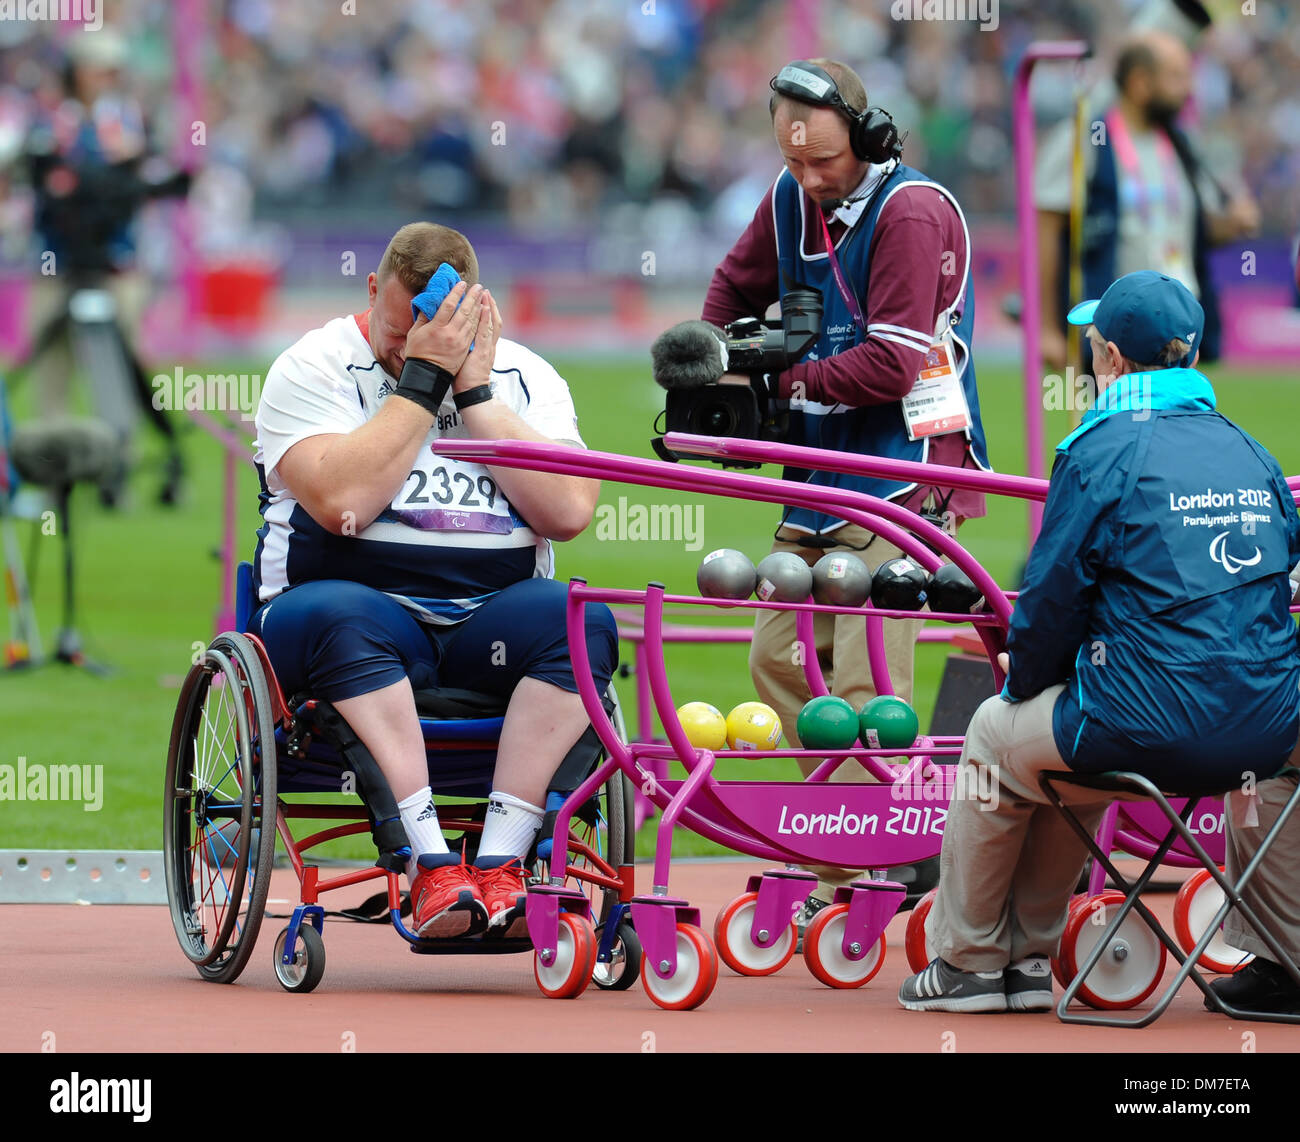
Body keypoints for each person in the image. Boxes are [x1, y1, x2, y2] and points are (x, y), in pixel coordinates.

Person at [899, 271, 1300, 1013]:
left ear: (1111, 358)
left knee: (1000, 731)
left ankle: (974, 966)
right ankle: (1287, 968)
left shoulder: (1098, 449)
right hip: (1268, 730)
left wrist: (1025, 684)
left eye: (1091, 344)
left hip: (1140, 728)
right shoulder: (1252, 452)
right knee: (1265, 771)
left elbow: (1050, 602)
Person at [249, 221, 618, 939]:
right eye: (396, 329)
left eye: (428, 331)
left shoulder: (527, 375)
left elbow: (569, 511)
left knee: (581, 620)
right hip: (342, 616)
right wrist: (421, 383)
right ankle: (430, 869)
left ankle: (503, 868)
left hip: (489, 626)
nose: (405, 344)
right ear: (371, 291)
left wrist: (475, 392)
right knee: (341, 615)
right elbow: (343, 503)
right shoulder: (315, 364)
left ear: (475, 310)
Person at [702, 58, 991, 930]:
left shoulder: (913, 211)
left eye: (823, 163)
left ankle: (877, 860)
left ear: (869, 140)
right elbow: (732, 283)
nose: (807, 180)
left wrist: (775, 391)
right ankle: (845, 842)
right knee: (778, 660)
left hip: (902, 463)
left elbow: (893, 363)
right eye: (792, 162)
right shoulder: (791, 196)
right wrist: (713, 360)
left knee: (868, 683)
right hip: (821, 466)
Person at [1036, 29, 1260, 375]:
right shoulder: (1084, 138)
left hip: (1178, 330)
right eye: (1176, 77)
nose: (1189, 89)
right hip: (1114, 331)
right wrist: (1046, 328)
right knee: (1113, 428)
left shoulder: (1180, 144)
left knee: (1177, 427)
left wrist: (1233, 224)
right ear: (1140, 82)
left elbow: (1191, 230)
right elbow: (1045, 231)